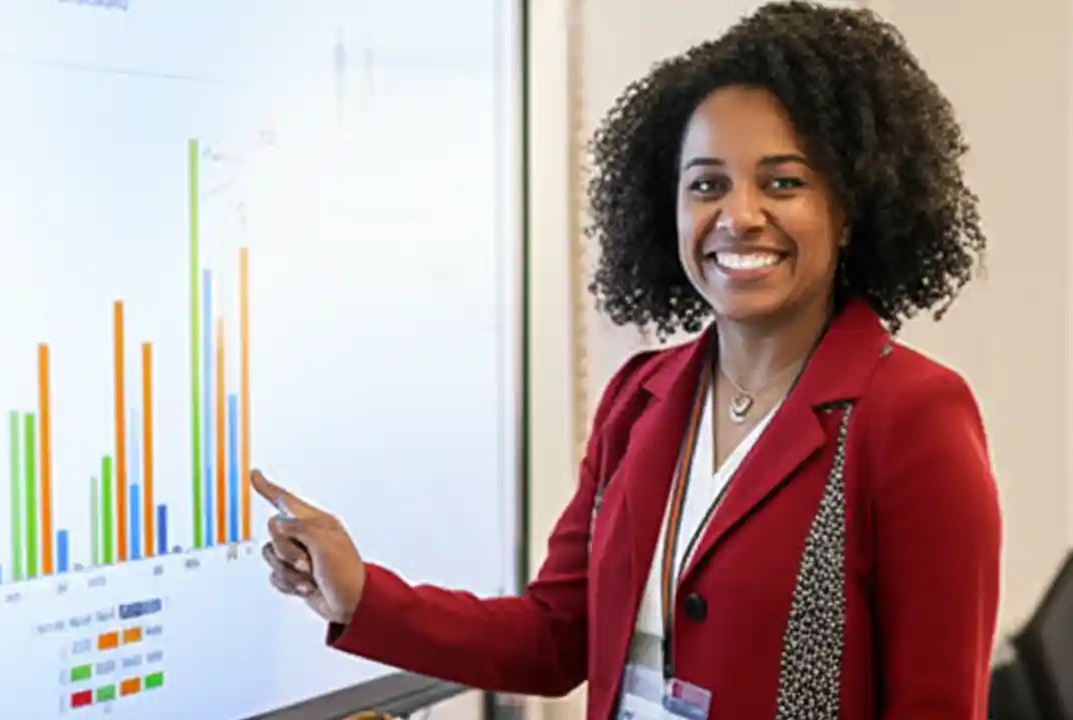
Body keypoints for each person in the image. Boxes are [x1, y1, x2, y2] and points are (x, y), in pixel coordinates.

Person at [253, 2, 1003, 718]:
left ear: (849, 210)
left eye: (783, 182)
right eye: (706, 184)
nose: (739, 215)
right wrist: (360, 596)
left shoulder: (912, 415)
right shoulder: (641, 398)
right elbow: (554, 638)